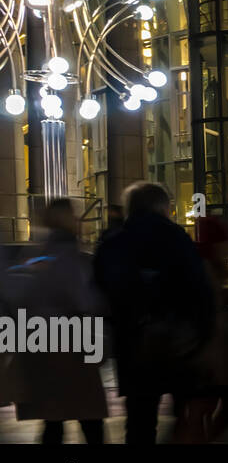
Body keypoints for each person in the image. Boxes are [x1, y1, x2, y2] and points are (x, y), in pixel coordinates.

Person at [94, 182, 214, 445]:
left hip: (133, 344)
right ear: (163, 207)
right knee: (183, 413)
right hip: (179, 343)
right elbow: (199, 290)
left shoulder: (113, 242)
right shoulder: (177, 237)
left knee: (139, 420)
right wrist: (203, 336)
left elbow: (101, 292)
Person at [7, 199, 108, 444]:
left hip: (41, 341)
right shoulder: (71, 255)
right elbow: (83, 300)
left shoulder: (37, 252)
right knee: (89, 416)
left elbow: (18, 294)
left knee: (52, 419)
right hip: (70, 342)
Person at [185, 216, 228, 443]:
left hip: (212, 349)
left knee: (205, 407)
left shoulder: (205, 264)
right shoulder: (206, 267)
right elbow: (210, 303)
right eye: (227, 241)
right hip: (210, 351)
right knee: (210, 405)